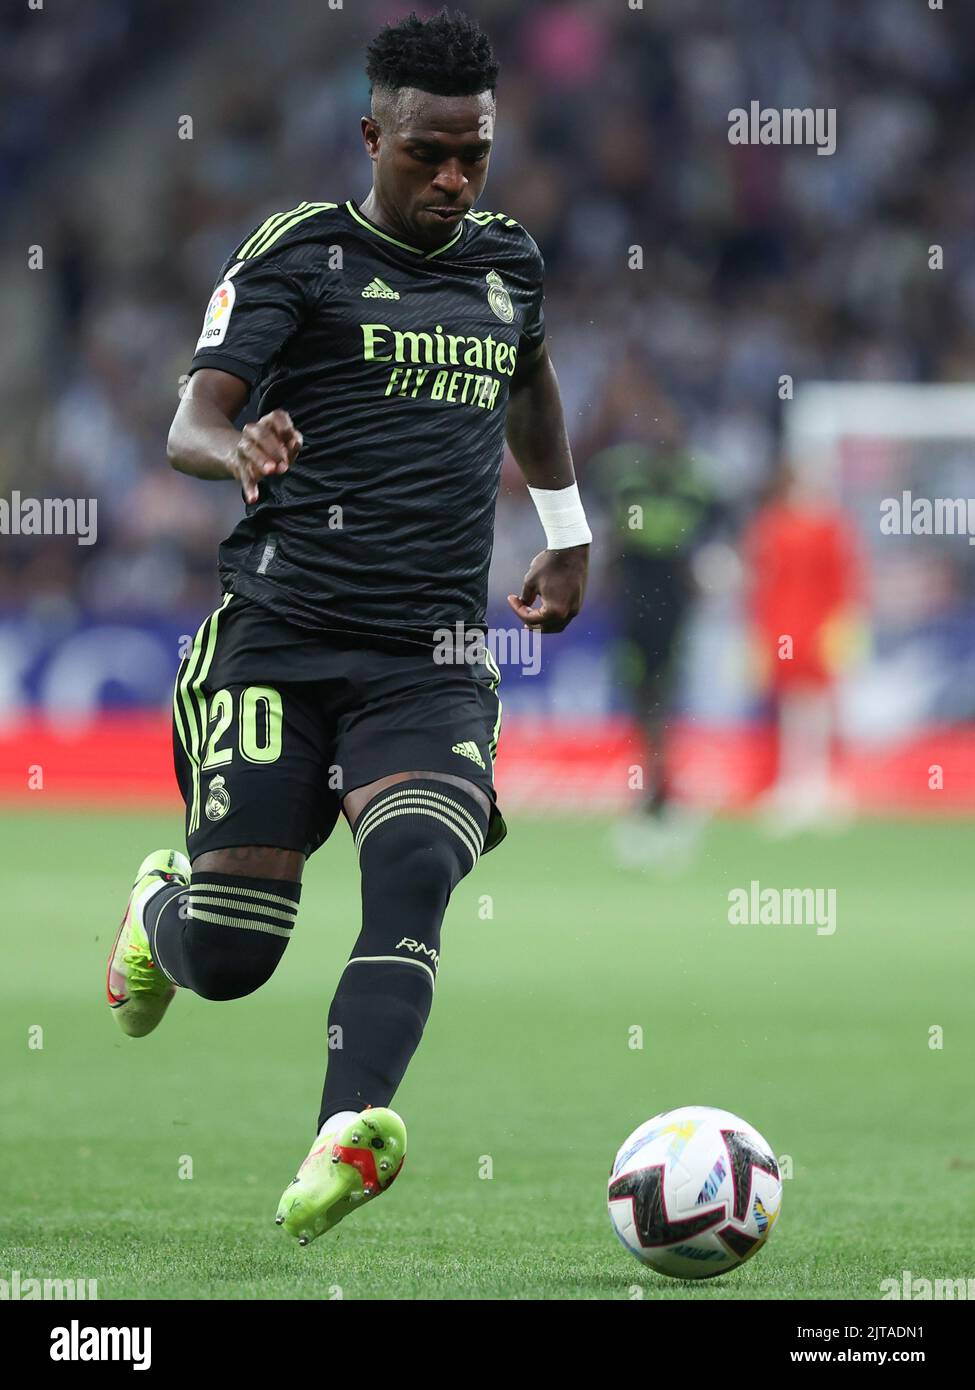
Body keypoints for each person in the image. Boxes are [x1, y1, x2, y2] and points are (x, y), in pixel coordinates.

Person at [105, 9, 591, 1246]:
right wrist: (239, 445)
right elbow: (190, 420)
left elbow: (528, 378)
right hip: (276, 635)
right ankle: (160, 909)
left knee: (417, 863)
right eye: (429, 151)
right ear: (372, 134)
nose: (453, 178)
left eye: (474, 154)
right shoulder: (300, 254)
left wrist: (567, 523)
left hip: (425, 653)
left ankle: (347, 1129)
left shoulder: (507, 261)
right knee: (231, 955)